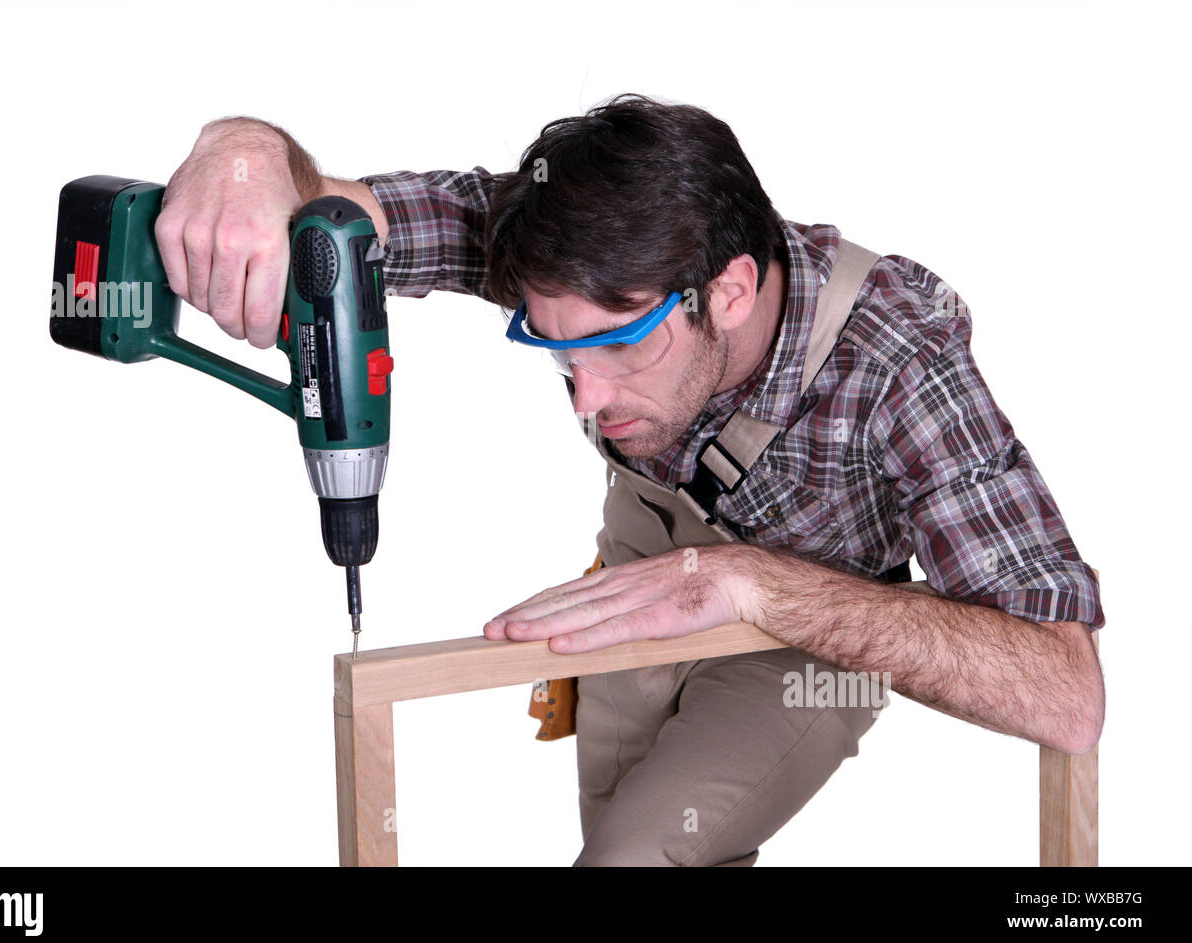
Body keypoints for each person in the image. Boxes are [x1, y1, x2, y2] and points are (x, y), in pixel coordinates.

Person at [156, 93, 1105, 866]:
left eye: (617, 348)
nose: (584, 400)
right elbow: (340, 218)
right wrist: (242, 151)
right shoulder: (569, 248)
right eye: (554, 351)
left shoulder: (897, 355)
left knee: (634, 859)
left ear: (727, 292)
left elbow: (1066, 691)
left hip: (816, 618)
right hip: (642, 554)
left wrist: (755, 583)